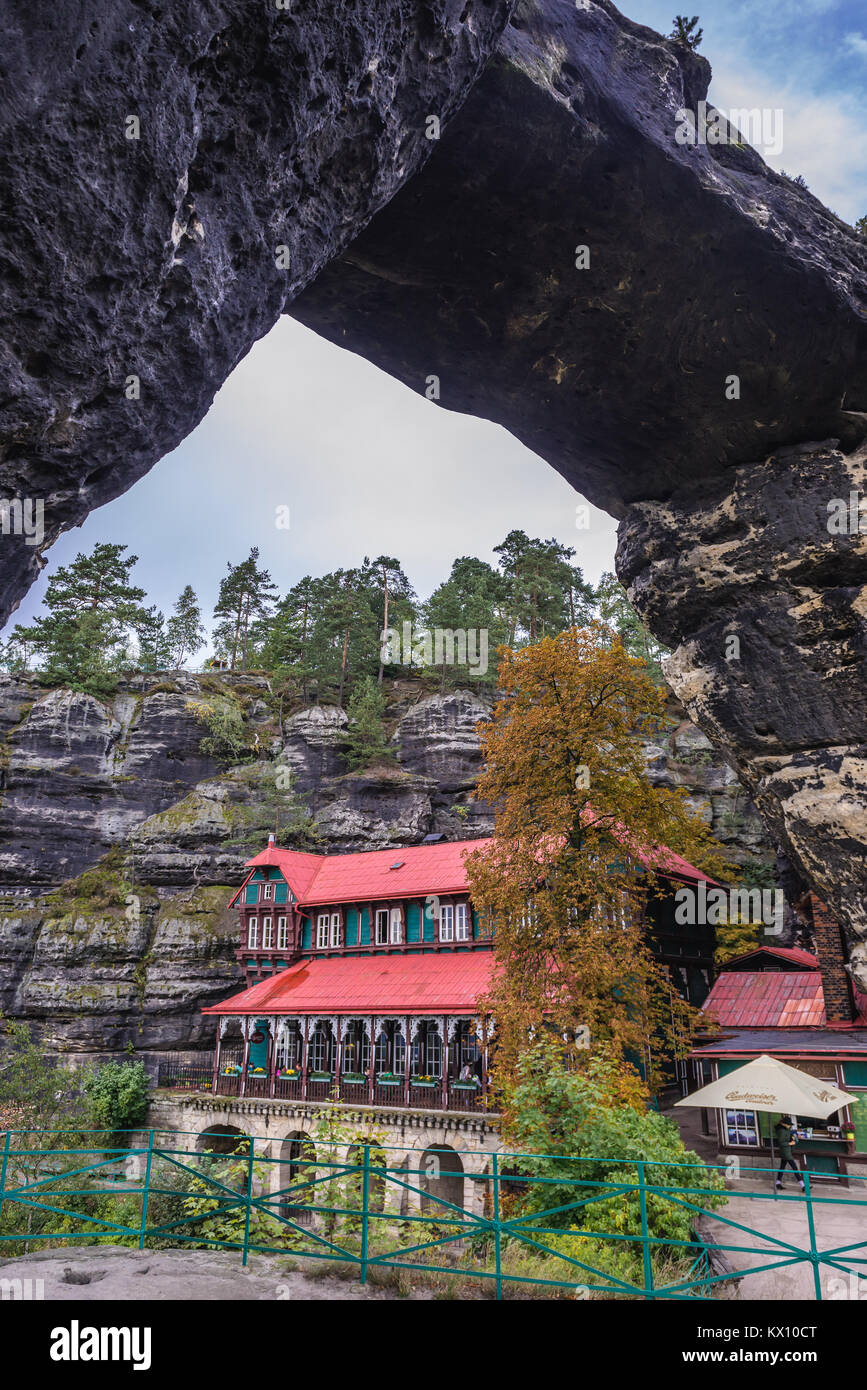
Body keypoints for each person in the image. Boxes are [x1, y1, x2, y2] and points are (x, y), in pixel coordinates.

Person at [774, 1116, 804, 1190]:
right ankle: (803, 1186)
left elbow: (793, 1138)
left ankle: (778, 1183)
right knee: (794, 1167)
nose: (789, 1125)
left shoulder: (787, 1129)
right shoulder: (781, 1131)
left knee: (782, 1167)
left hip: (789, 1150)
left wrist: (795, 1139)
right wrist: (789, 1143)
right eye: (788, 1124)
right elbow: (781, 1143)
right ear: (784, 1124)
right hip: (785, 1151)